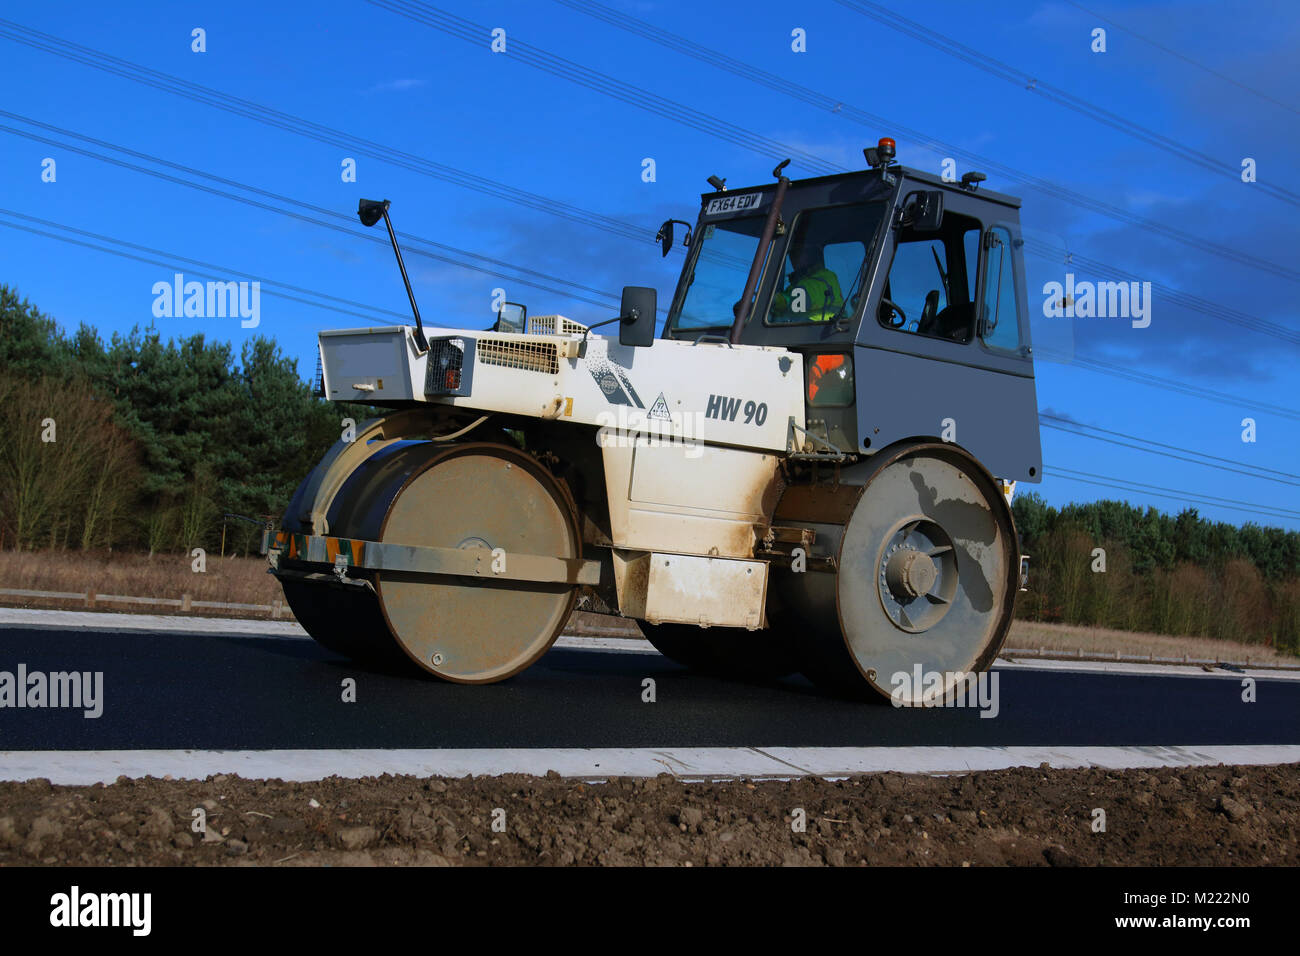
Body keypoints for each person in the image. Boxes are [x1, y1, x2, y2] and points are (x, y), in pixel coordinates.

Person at [770, 239, 844, 322]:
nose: (793, 259)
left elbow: (788, 301)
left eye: (796, 254)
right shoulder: (828, 276)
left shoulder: (809, 284)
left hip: (814, 328)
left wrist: (770, 299)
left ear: (810, 256)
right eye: (791, 255)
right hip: (825, 326)